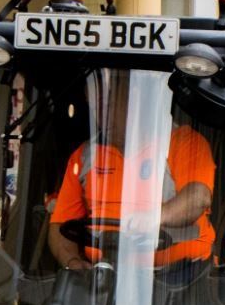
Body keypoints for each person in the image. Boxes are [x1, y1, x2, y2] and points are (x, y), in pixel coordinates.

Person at [47, 76, 215, 272]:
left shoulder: (182, 143)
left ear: (136, 98)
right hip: (104, 275)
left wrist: (157, 217)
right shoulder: (84, 157)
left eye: (109, 104)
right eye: (95, 106)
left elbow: (198, 197)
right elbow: (61, 223)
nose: (102, 114)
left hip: (181, 279)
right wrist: (73, 263)